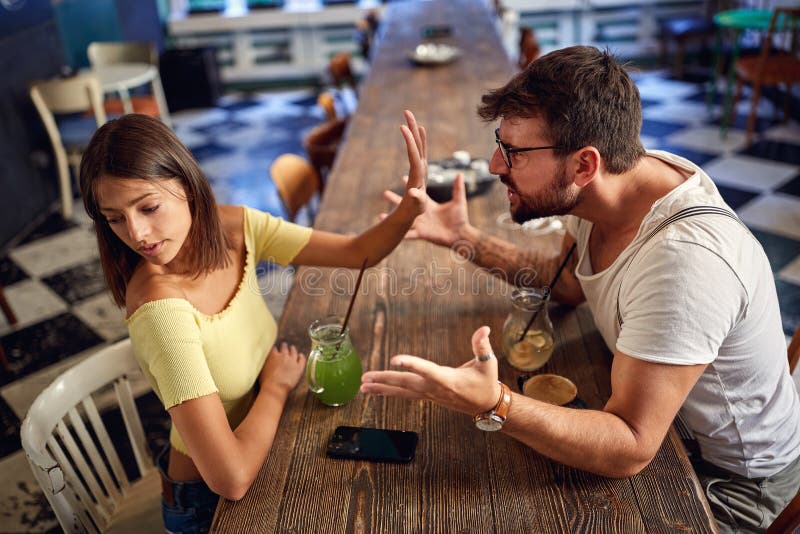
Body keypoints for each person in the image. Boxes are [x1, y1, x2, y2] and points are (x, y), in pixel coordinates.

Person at [360, 46, 800, 533]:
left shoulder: (685, 262)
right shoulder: (617, 180)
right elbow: (569, 283)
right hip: (657, 422)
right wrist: (465, 239)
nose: (492, 165)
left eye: (513, 153)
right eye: (499, 143)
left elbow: (630, 445)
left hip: (731, 485)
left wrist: (495, 404)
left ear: (584, 166)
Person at [79, 111, 428, 533]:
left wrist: (408, 208)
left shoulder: (233, 227)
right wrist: (278, 387)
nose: (137, 234)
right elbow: (231, 479)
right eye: (114, 218)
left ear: (186, 185)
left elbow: (358, 253)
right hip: (207, 507)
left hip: (268, 439)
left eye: (148, 207)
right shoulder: (161, 311)